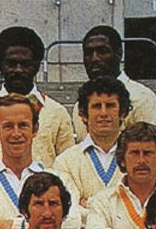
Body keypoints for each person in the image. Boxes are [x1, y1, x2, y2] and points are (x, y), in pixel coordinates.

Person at [0, 94, 80, 229]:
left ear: (35, 129)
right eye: (8, 126)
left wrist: (13, 226)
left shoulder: (60, 179)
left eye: (23, 125)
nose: (16, 134)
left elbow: (72, 227)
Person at [85, 123, 156, 229]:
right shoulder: (102, 201)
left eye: (148, 153)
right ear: (122, 160)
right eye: (134, 153)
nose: (141, 161)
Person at [0, 26, 74, 166]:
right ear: (0, 65)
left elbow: (68, 164)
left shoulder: (56, 113)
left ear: (37, 66)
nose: (18, 70)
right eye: (11, 64)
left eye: (25, 64)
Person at [52, 77, 132, 211]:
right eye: (96, 106)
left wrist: (88, 204)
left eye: (110, 106)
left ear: (123, 113)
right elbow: (69, 214)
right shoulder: (65, 162)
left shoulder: (139, 157)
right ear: (84, 115)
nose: (103, 113)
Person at [75, 25, 156, 137]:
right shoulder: (80, 105)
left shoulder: (142, 99)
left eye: (102, 51)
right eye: (88, 53)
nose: (95, 58)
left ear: (119, 54)